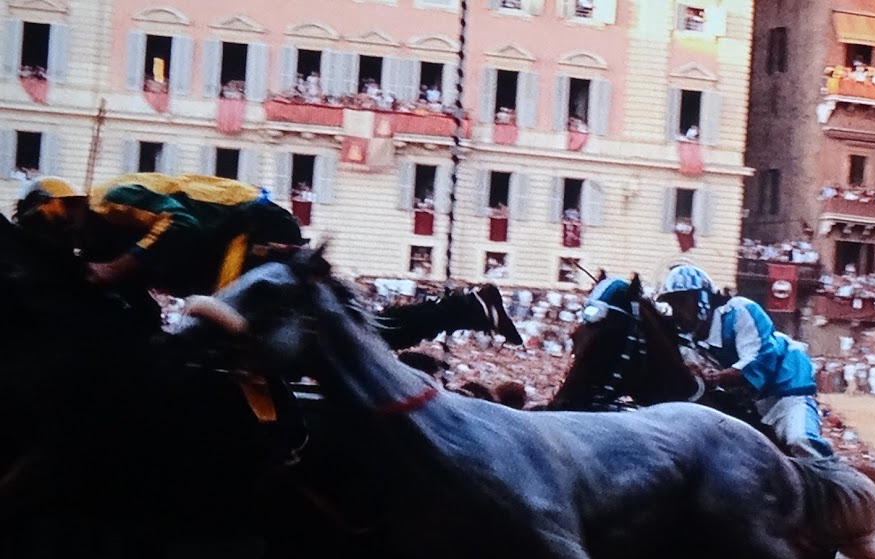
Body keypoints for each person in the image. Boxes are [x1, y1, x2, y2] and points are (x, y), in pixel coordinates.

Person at [13, 175, 521, 347]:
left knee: (225, 336)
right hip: (224, 252)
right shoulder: (98, 242)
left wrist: (114, 271)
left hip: (251, 226)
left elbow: (183, 224)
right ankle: (467, 309)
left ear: (61, 206)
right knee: (345, 334)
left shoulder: (110, 198)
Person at [655, 263, 832, 460]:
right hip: (749, 404)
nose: (676, 311)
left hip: (785, 395)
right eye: (671, 304)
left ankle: (836, 482)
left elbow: (759, 360)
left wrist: (717, 378)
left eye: (681, 302)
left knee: (801, 441)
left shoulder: (739, 311)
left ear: (702, 299)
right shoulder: (688, 340)